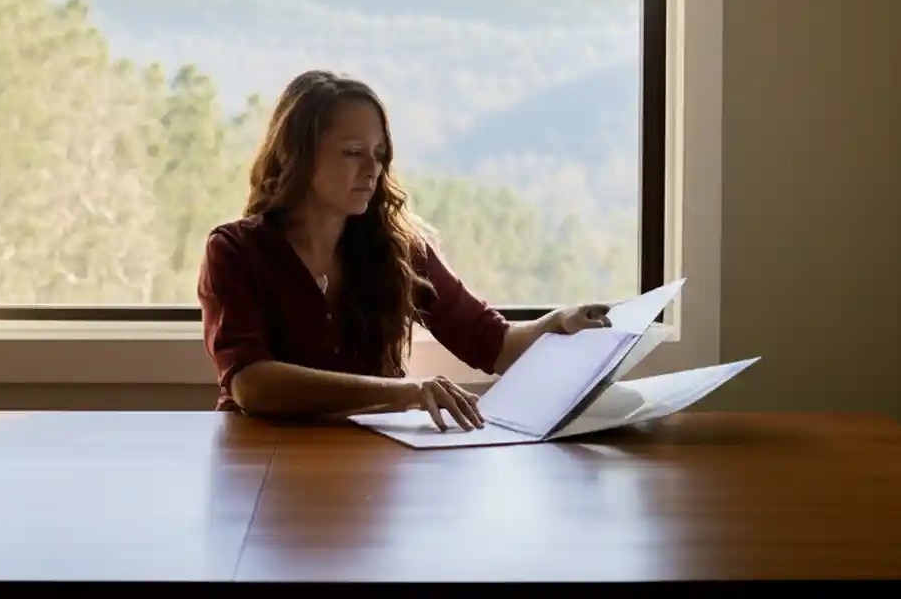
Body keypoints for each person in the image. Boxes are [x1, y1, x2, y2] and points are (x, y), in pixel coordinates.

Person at [197, 69, 612, 432]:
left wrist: (557, 324)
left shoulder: (400, 249)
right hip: (260, 461)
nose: (372, 169)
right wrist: (405, 393)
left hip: (367, 465)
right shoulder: (234, 250)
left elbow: (494, 344)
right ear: (297, 156)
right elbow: (252, 384)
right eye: (353, 153)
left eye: (379, 155)